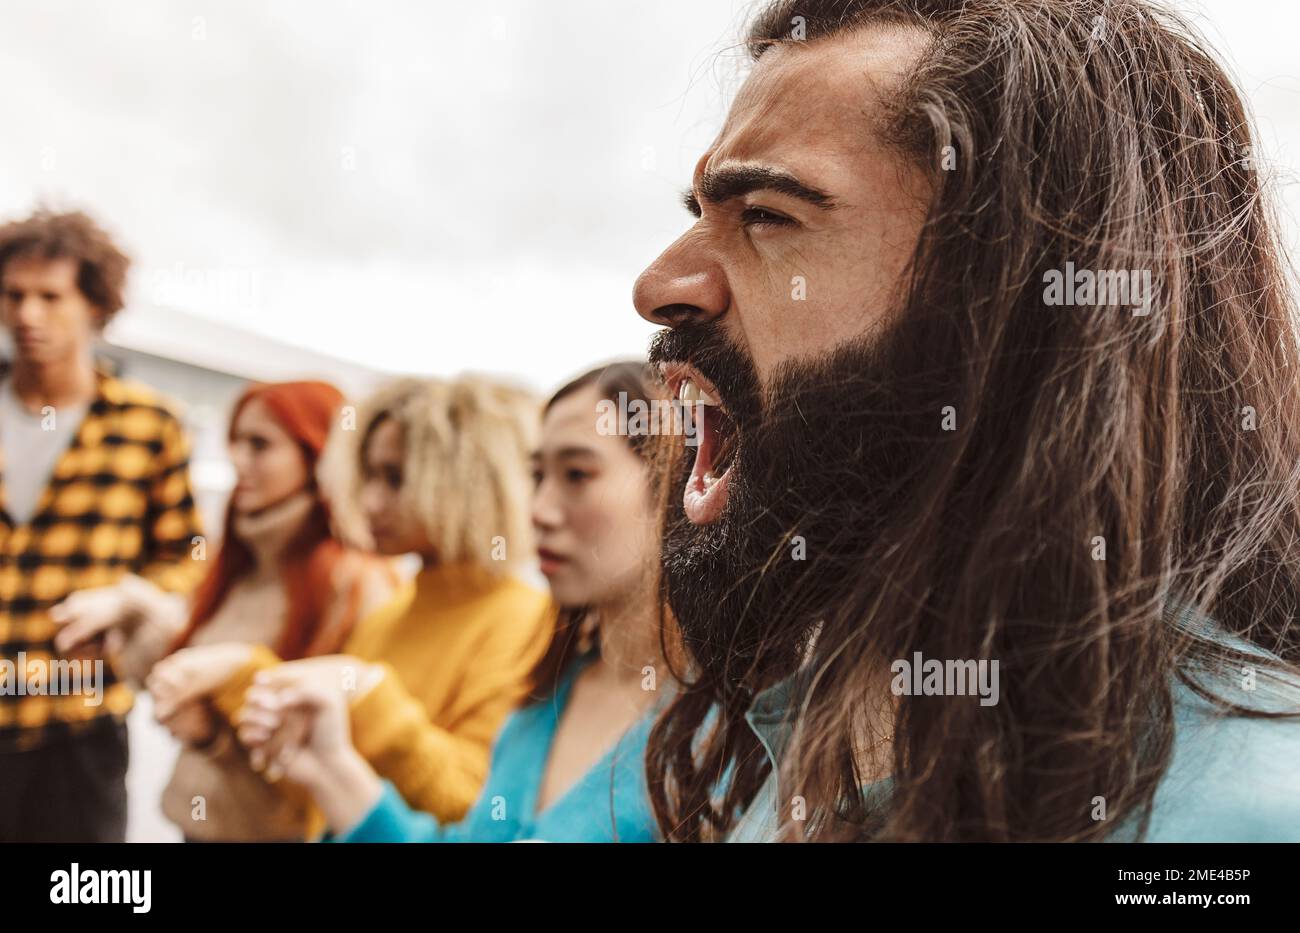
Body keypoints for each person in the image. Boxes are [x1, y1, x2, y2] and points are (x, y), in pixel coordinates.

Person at [633, 0, 1300, 841]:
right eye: (699, 213)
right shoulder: (812, 757)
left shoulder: (1248, 819)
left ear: (1015, 303)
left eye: (766, 214)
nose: (658, 283)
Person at [237, 362, 669, 842]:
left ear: (677, 484)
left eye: (577, 473)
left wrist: (367, 697)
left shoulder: (730, 731)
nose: (539, 508)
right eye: (536, 476)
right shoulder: (550, 683)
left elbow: (457, 793)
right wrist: (328, 768)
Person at [151, 375, 555, 832]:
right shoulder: (392, 613)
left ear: (470, 483)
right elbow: (313, 796)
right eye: (369, 474)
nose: (369, 501)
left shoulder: (525, 621)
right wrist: (237, 694)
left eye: (396, 478)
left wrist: (366, 693)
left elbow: (473, 806)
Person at [52, 379, 396, 841]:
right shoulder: (243, 561)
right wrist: (127, 620)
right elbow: (191, 662)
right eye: (235, 441)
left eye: (260, 445)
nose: (238, 459)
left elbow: (333, 759)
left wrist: (212, 737)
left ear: (317, 454)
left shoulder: (352, 583)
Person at [0, 208, 204, 842]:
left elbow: (187, 553)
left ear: (95, 304)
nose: (28, 315)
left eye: (50, 296)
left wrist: (127, 598)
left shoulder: (148, 425)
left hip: (78, 725)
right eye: (13, 295)